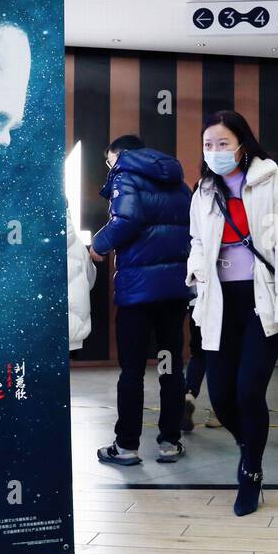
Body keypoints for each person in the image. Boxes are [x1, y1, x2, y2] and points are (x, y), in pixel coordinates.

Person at [187, 111, 278, 515]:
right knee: (220, 399)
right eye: (208, 145)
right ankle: (248, 443)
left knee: (248, 392)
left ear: (241, 143)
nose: (215, 152)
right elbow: (196, 240)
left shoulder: (275, 185)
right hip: (218, 302)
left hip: (262, 302)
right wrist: (196, 272)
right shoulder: (202, 191)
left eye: (222, 143)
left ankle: (250, 472)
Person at [93, 135, 194, 467]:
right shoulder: (178, 182)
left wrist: (99, 245)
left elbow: (127, 220)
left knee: (133, 371)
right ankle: (169, 441)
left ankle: (126, 446)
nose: (110, 168)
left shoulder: (125, 176)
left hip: (137, 293)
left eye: (110, 161)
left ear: (121, 156)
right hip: (173, 292)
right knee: (170, 366)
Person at [66, 200, 97, 353]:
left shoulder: (30, 246)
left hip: (40, 329)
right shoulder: (78, 245)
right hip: (76, 328)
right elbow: (90, 281)